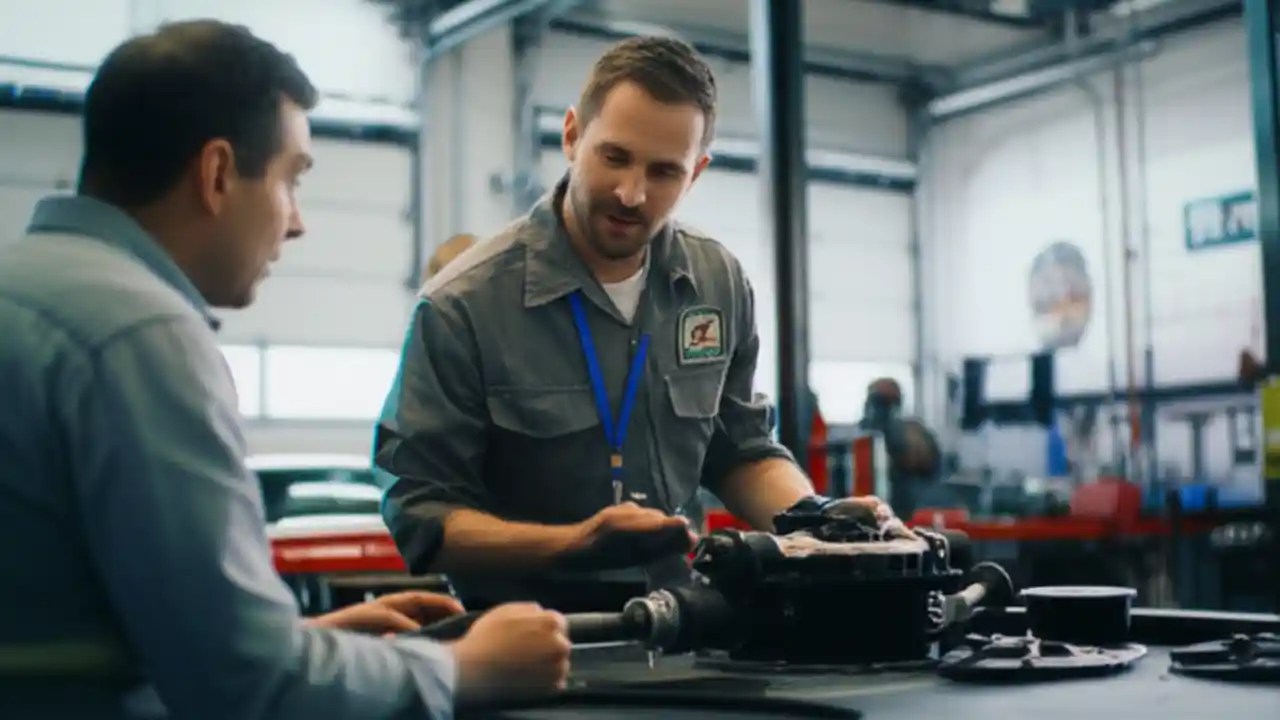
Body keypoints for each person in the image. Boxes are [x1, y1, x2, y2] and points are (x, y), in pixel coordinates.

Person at [0, 20, 569, 720]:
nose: (296, 223)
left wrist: (304, 643)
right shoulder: (141, 334)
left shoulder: (27, 289)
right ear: (215, 175)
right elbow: (244, 686)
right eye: (291, 180)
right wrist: (463, 667)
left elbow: (67, 628)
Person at [374, 35, 897, 613]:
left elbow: (740, 450)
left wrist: (820, 521)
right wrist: (574, 545)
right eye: (615, 157)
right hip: (526, 644)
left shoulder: (717, 283)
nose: (631, 193)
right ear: (573, 135)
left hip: (685, 626)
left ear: (695, 172)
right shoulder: (462, 306)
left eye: (664, 172)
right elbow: (421, 517)